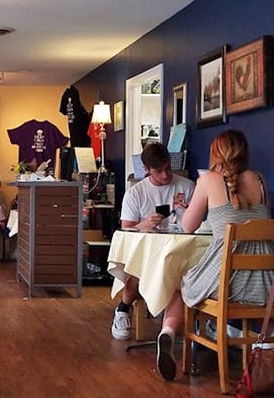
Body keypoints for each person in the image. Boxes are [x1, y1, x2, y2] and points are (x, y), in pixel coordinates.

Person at [155, 129, 273, 381]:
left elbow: (187, 226)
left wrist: (186, 210)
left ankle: (168, 331)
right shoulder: (261, 181)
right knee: (196, 277)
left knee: (178, 279)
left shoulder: (208, 180)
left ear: (216, 153)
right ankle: (214, 330)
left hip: (226, 284)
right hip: (265, 284)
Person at [111, 141, 195, 342]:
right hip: (145, 253)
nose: (165, 175)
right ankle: (123, 309)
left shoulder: (188, 186)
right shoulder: (135, 193)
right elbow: (125, 229)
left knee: (186, 269)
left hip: (180, 250)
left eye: (168, 169)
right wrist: (144, 224)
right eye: (159, 171)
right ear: (147, 170)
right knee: (140, 265)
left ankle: (176, 327)